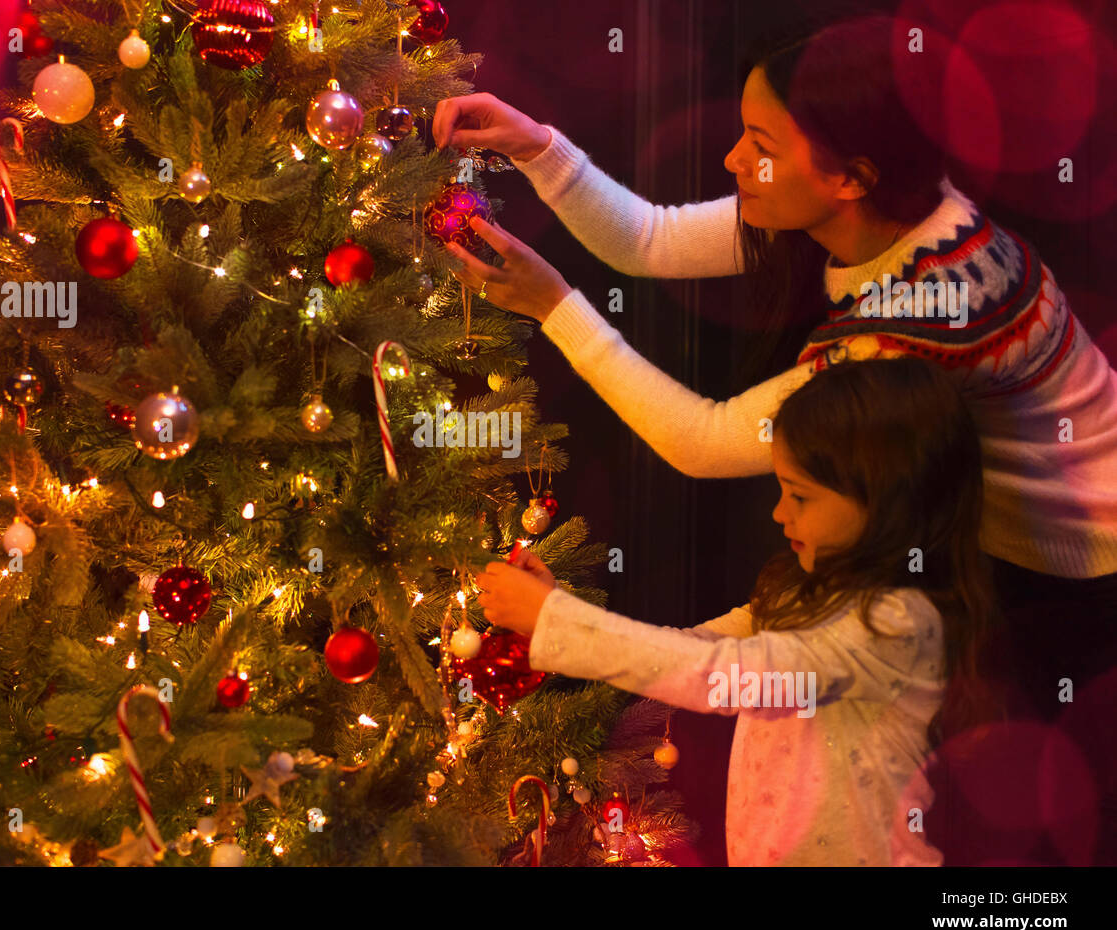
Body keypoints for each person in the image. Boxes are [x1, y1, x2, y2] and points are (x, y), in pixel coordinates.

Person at [434, 13, 1117, 863]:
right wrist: (537, 147)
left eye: (758, 143)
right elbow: (650, 237)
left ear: (849, 176)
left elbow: (705, 440)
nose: (732, 160)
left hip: (1067, 564)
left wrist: (553, 307)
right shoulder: (876, 209)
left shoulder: (910, 326)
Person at [477, 357, 995, 865]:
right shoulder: (807, 594)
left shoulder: (895, 623)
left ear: (886, 503)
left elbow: (721, 676)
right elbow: (694, 650)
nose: (778, 511)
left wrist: (554, 620)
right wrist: (556, 611)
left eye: (800, 496)